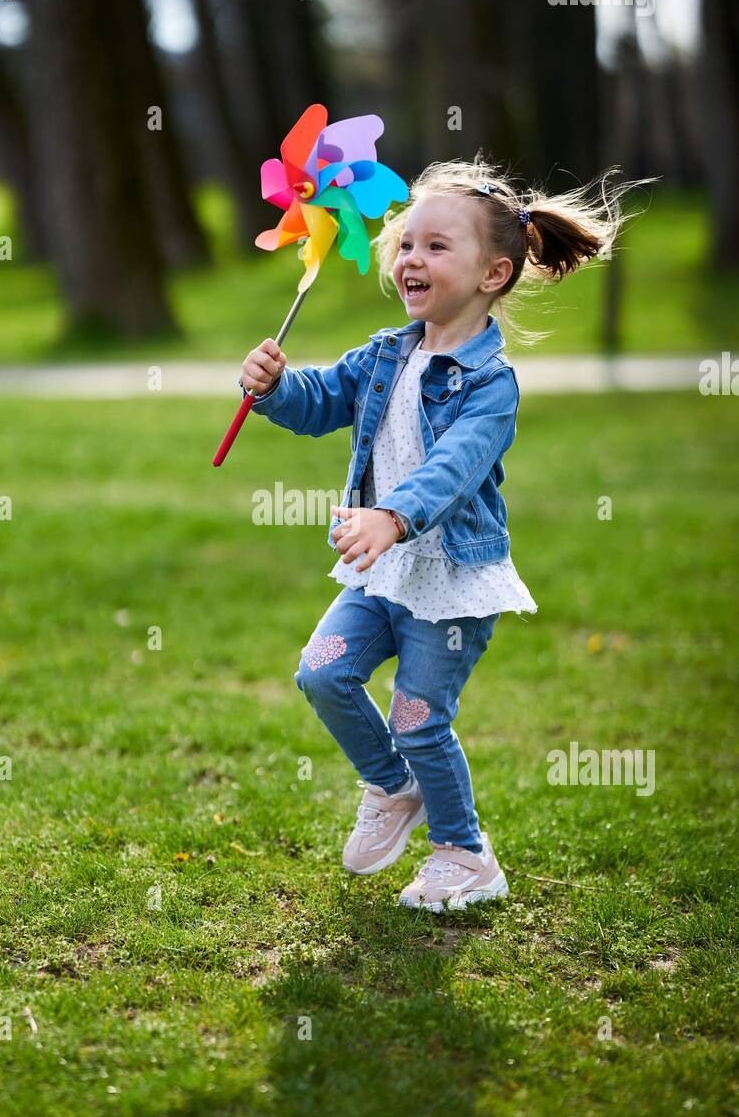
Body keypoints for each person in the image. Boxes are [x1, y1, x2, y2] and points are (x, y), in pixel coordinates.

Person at [238, 157, 643, 912]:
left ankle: (465, 854)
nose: (410, 258)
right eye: (406, 244)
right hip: (381, 571)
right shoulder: (387, 353)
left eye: (434, 246)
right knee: (322, 671)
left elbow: (455, 468)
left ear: (493, 274)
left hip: (449, 579)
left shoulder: (491, 386)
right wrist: (272, 388)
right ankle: (393, 789)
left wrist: (391, 517)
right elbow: (322, 400)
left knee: (419, 718)